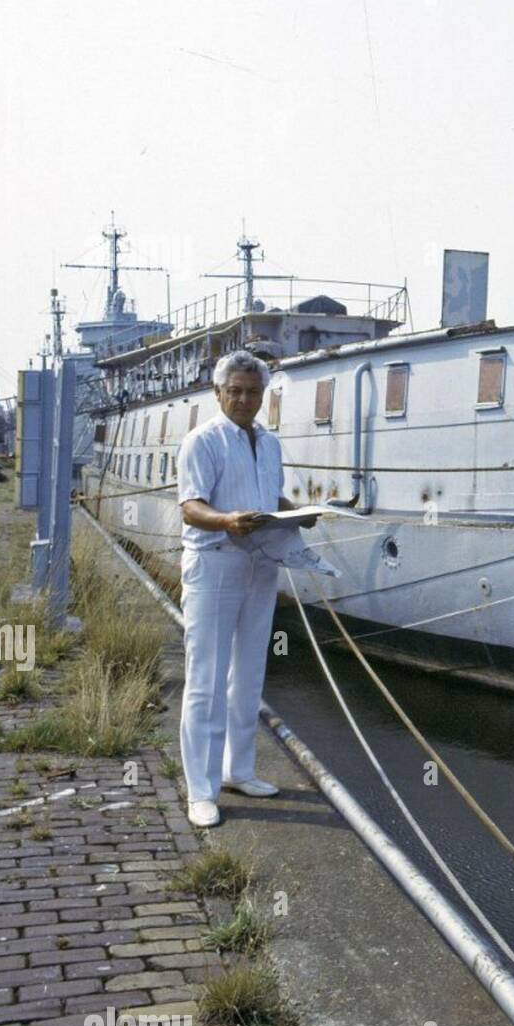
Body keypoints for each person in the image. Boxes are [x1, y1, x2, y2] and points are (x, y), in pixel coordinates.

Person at [176, 350, 317, 828]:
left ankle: (238, 770)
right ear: (218, 393)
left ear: (264, 396)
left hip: (261, 563)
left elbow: (267, 497)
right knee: (207, 679)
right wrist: (226, 521)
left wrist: (298, 513)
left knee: (250, 673)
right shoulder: (202, 441)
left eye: (253, 392)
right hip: (215, 563)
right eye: (234, 391)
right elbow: (190, 506)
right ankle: (201, 790)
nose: (243, 399)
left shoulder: (269, 444)